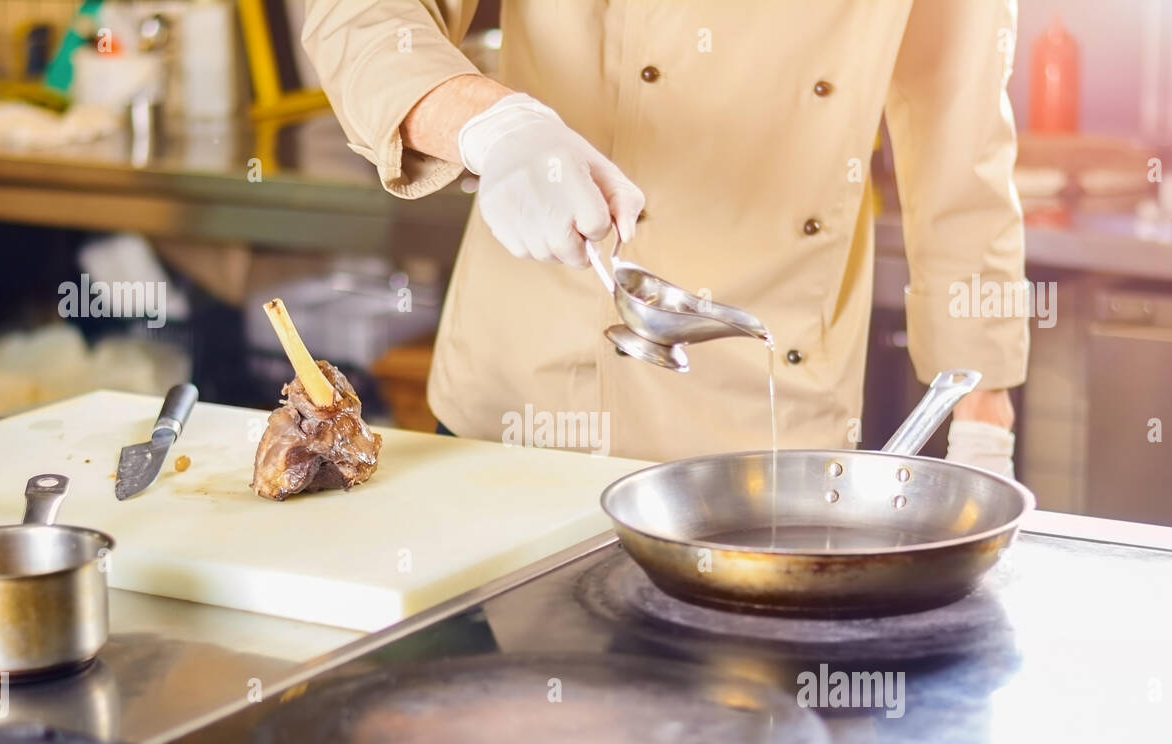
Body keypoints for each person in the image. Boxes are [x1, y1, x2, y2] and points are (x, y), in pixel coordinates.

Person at [302, 0, 1026, 474]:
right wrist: (491, 126)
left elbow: (961, 137)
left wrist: (981, 404)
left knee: (762, 708)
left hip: (777, 407)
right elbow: (360, 14)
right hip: (543, 401)